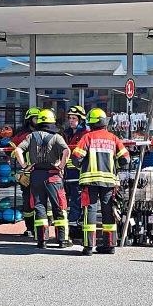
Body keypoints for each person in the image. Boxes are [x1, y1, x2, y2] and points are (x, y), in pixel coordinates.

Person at [71, 107, 131, 255]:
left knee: (89, 211)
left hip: (89, 181)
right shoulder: (113, 138)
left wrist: (82, 167)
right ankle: (109, 245)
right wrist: (114, 167)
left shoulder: (87, 137)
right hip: (108, 182)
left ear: (91, 122)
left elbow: (76, 157)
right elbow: (126, 159)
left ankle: (88, 246)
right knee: (108, 211)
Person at [13, 109, 71, 249]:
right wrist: (61, 166)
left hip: (36, 175)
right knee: (59, 207)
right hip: (53, 175)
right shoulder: (57, 137)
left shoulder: (31, 136)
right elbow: (67, 151)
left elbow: (18, 150)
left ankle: (41, 240)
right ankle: (62, 240)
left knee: (39, 207)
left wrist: (25, 166)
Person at [11, 107, 41, 239]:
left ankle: (41, 229)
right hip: (27, 177)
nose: (38, 121)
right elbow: (9, 158)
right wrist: (17, 175)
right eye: (36, 118)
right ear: (29, 120)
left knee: (42, 203)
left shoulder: (46, 134)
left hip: (42, 174)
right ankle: (29, 227)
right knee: (28, 204)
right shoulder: (20, 136)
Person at [62, 105, 89, 232]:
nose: (71, 120)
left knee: (76, 200)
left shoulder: (85, 134)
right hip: (67, 173)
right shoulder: (66, 133)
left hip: (79, 173)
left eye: (74, 118)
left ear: (81, 120)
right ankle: (70, 223)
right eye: (70, 118)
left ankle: (74, 225)